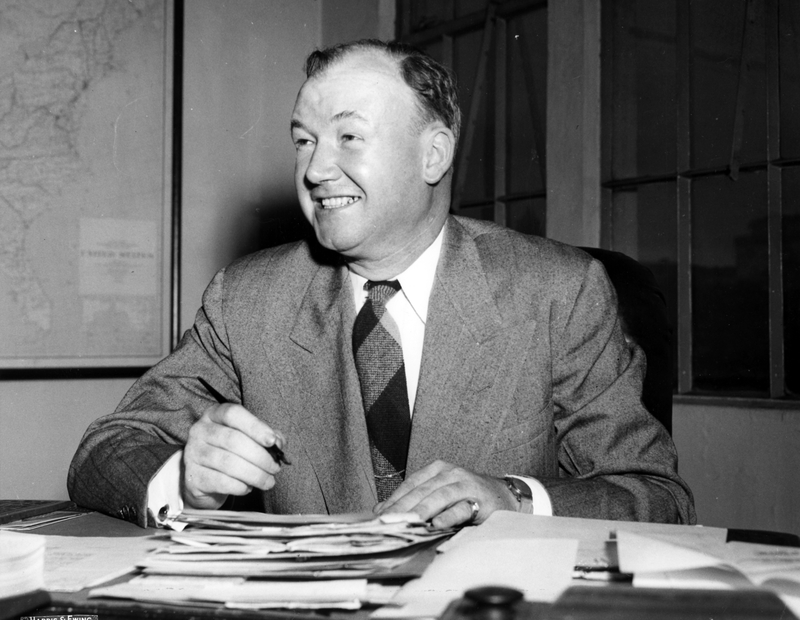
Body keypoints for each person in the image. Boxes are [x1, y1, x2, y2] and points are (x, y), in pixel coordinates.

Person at [68, 39, 695, 530]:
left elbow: (656, 495)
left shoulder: (559, 292)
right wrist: (184, 479)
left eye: (348, 137)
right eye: (304, 141)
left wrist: (513, 500)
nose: (314, 169)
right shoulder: (249, 299)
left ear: (434, 155)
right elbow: (105, 451)